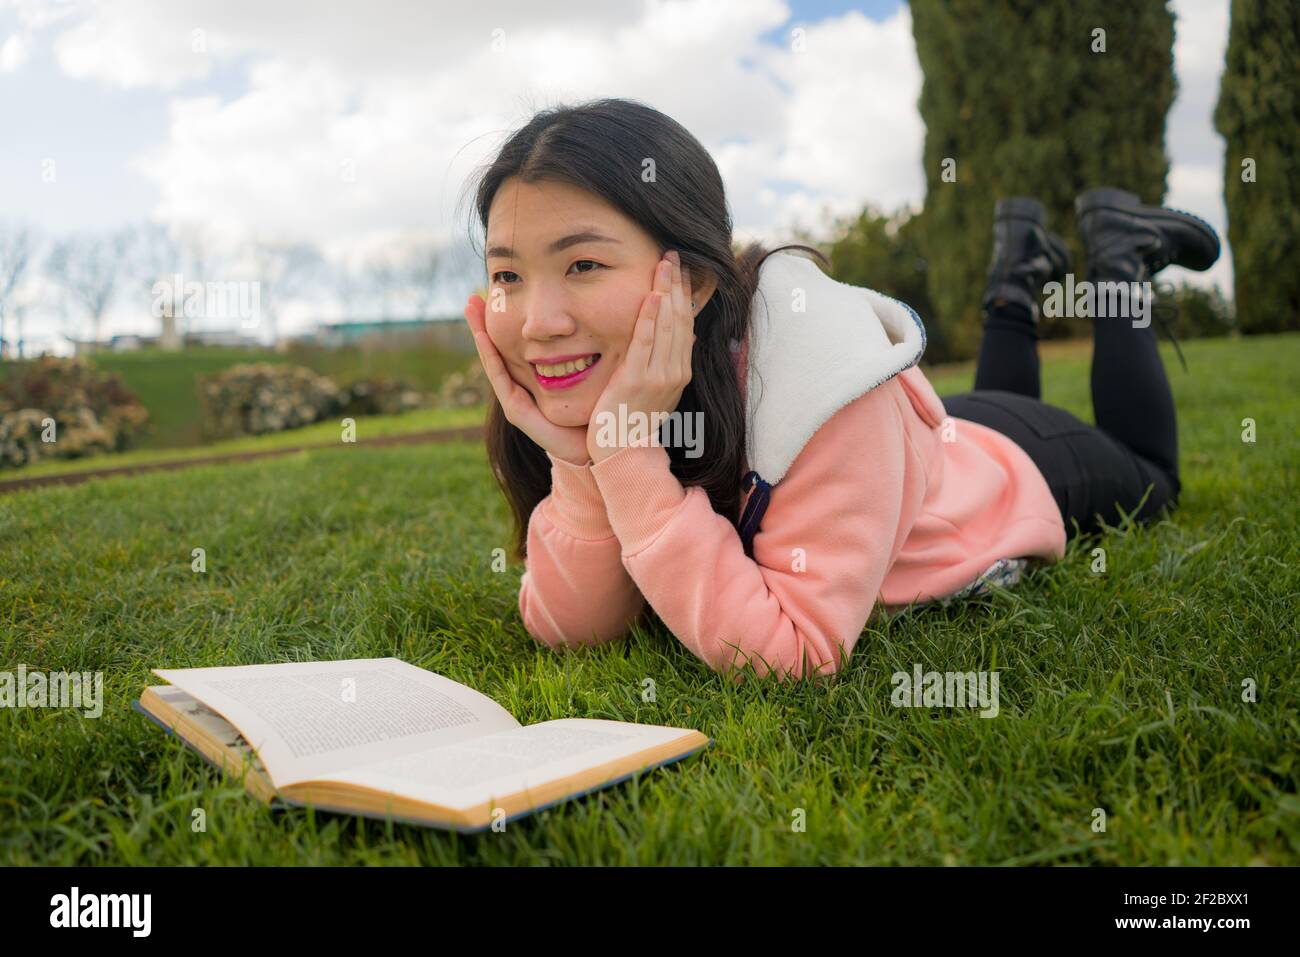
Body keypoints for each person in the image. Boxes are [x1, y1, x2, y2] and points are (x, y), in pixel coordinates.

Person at [461, 98, 1220, 682]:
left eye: (583, 265)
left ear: (689, 278)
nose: (537, 322)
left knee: (1150, 475)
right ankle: (1017, 266)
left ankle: (1118, 256)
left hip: (1006, 464)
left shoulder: (815, 379)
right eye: (507, 275)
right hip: (899, 460)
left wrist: (624, 464)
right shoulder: (615, 397)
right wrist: (590, 459)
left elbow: (796, 651)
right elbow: (577, 633)